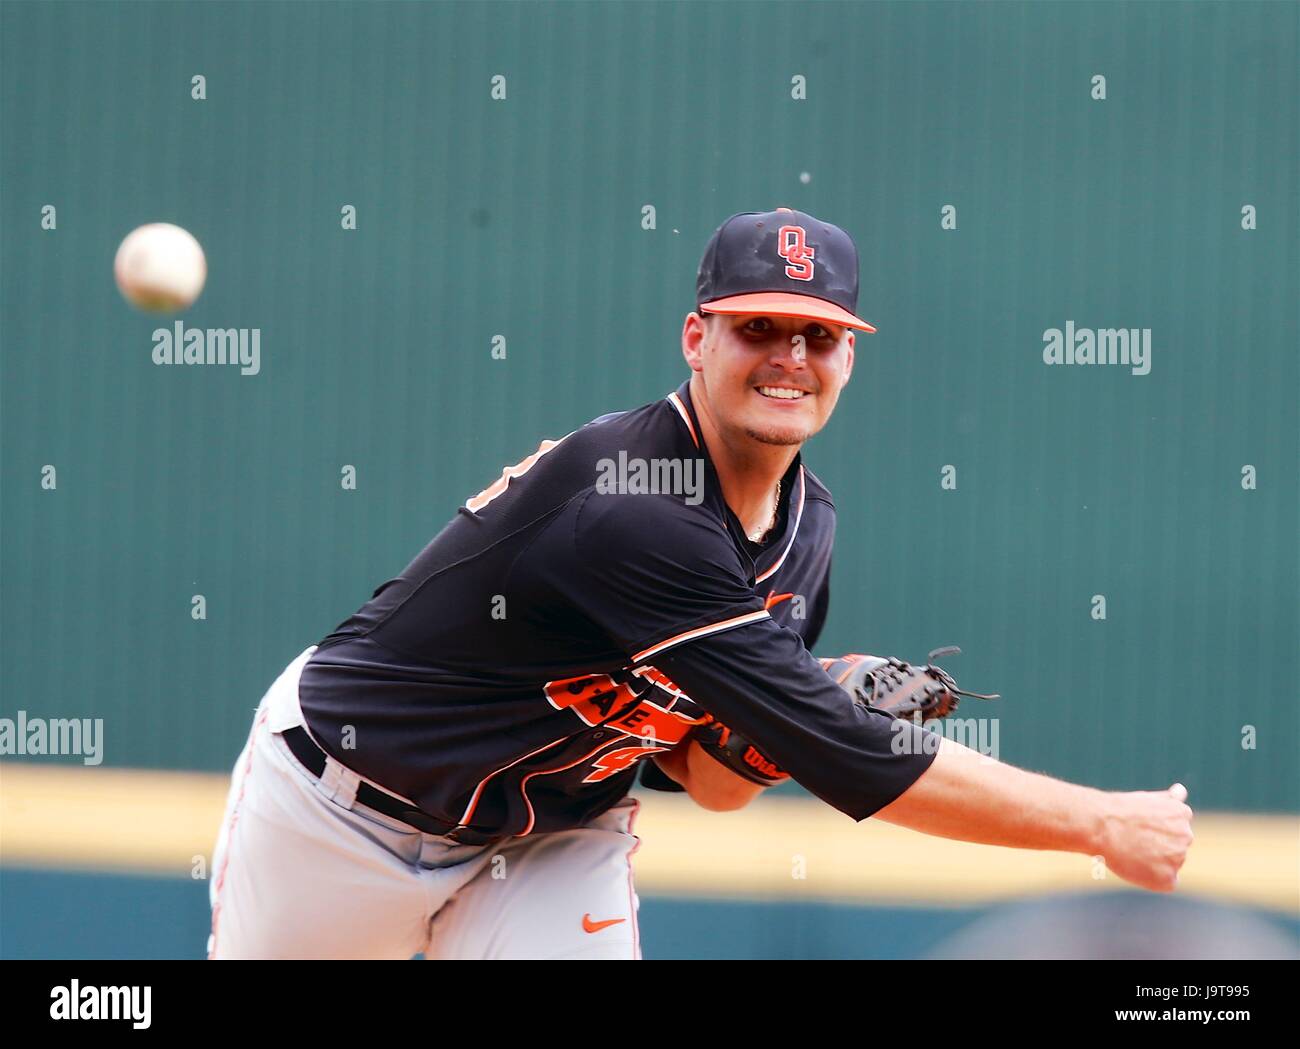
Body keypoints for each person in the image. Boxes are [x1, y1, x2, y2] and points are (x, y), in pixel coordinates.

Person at [207, 207, 1193, 960]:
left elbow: (710, 784)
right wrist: (1100, 822)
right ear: (696, 337)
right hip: (344, 805)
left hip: (551, 831)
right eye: (758, 326)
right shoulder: (634, 501)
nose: (789, 357)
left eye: (818, 335)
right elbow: (856, 762)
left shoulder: (808, 528)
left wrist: (765, 738)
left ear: (848, 355)